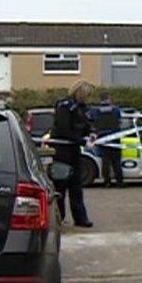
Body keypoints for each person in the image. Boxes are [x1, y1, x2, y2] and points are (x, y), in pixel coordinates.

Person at [50, 80, 95, 227]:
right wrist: (82, 141)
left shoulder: (82, 108)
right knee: (60, 185)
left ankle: (81, 218)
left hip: (75, 150)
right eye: (85, 94)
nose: (86, 98)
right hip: (62, 151)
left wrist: (92, 134)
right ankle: (58, 217)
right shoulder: (64, 106)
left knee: (76, 186)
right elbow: (63, 129)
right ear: (78, 91)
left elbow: (87, 124)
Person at [89, 91, 123, 187]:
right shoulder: (116, 110)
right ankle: (119, 182)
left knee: (105, 162)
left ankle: (107, 182)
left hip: (102, 139)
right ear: (108, 98)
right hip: (115, 138)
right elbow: (119, 122)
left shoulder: (95, 111)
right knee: (116, 162)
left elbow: (91, 122)